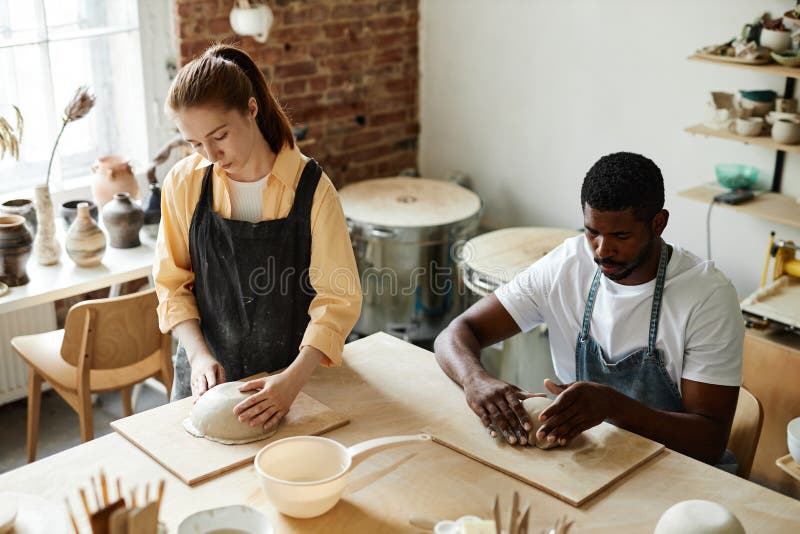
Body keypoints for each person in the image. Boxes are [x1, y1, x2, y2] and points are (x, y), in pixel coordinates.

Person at [434, 152, 744, 466]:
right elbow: (456, 333)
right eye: (592, 232)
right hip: (593, 455)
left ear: (658, 224)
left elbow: (709, 442)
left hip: (677, 468)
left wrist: (614, 406)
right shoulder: (565, 266)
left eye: (620, 236)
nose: (602, 250)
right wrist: (475, 379)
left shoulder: (707, 297)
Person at [154, 44, 362, 433]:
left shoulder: (311, 189)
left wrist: (291, 383)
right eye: (195, 144)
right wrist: (199, 357)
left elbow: (337, 300)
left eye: (219, 136)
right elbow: (171, 284)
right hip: (204, 384)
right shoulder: (183, 182)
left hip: (291, 384)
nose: (210, 154)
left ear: (251, 109)